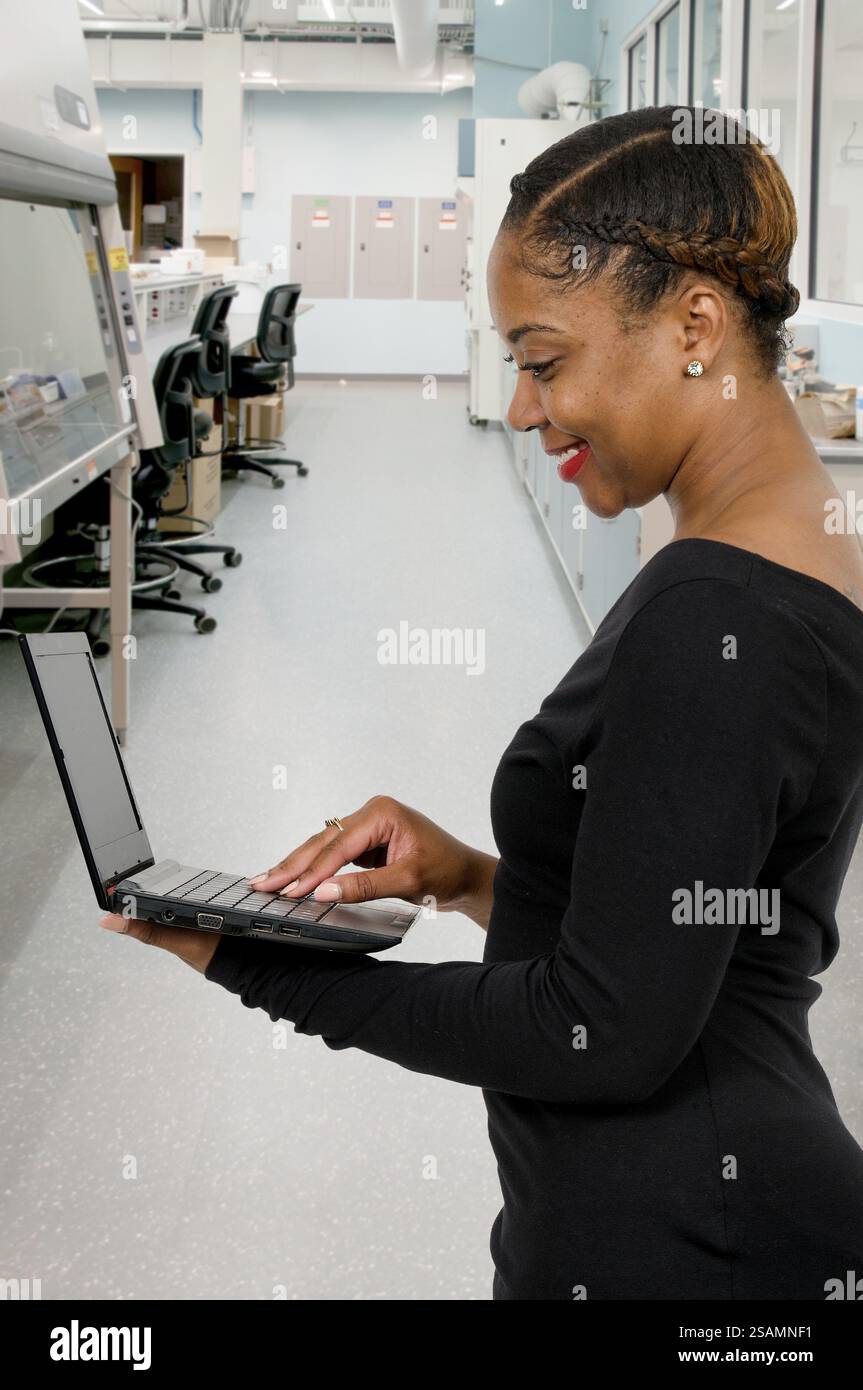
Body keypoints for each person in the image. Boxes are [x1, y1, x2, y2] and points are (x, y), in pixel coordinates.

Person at [102, 107, 863, 1300]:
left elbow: (599, 1026)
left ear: (695, 328)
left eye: (544, 360)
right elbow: (675, 937)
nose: (519, 407)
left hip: (680, 1246)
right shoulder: (784, 558)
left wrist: (261, 966)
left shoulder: (718, 614)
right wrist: (461, 875)